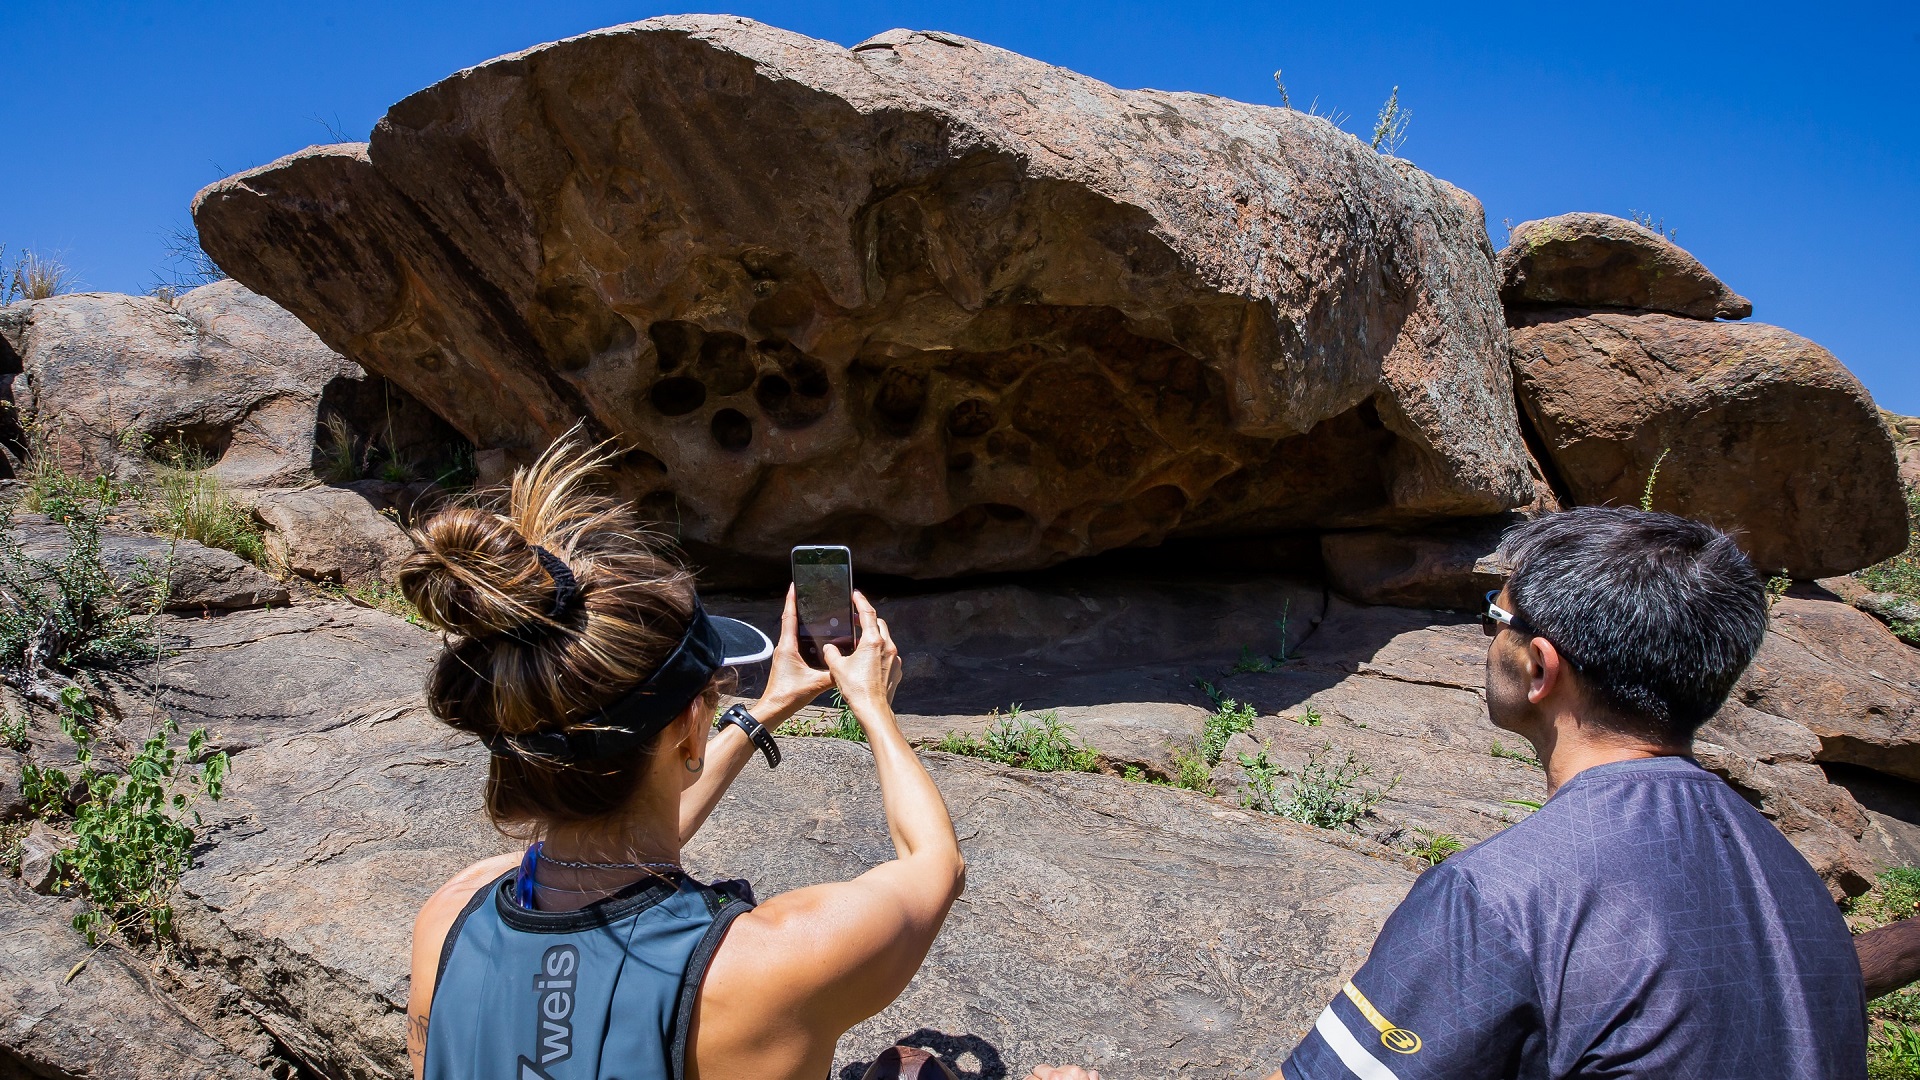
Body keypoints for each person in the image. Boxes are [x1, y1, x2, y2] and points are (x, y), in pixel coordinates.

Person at [1028, 507, 1865, 1080]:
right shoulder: (1787, 878)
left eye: (1495, 616)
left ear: (1541, 668)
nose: (1486, 634)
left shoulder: (1506, 898)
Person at [397, 440, 967, 1080]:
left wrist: (769, 705)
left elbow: (616, 835)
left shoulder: (451, 916)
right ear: (690, 732)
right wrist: (873, 706)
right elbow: (935, 865)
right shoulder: (770, 964)